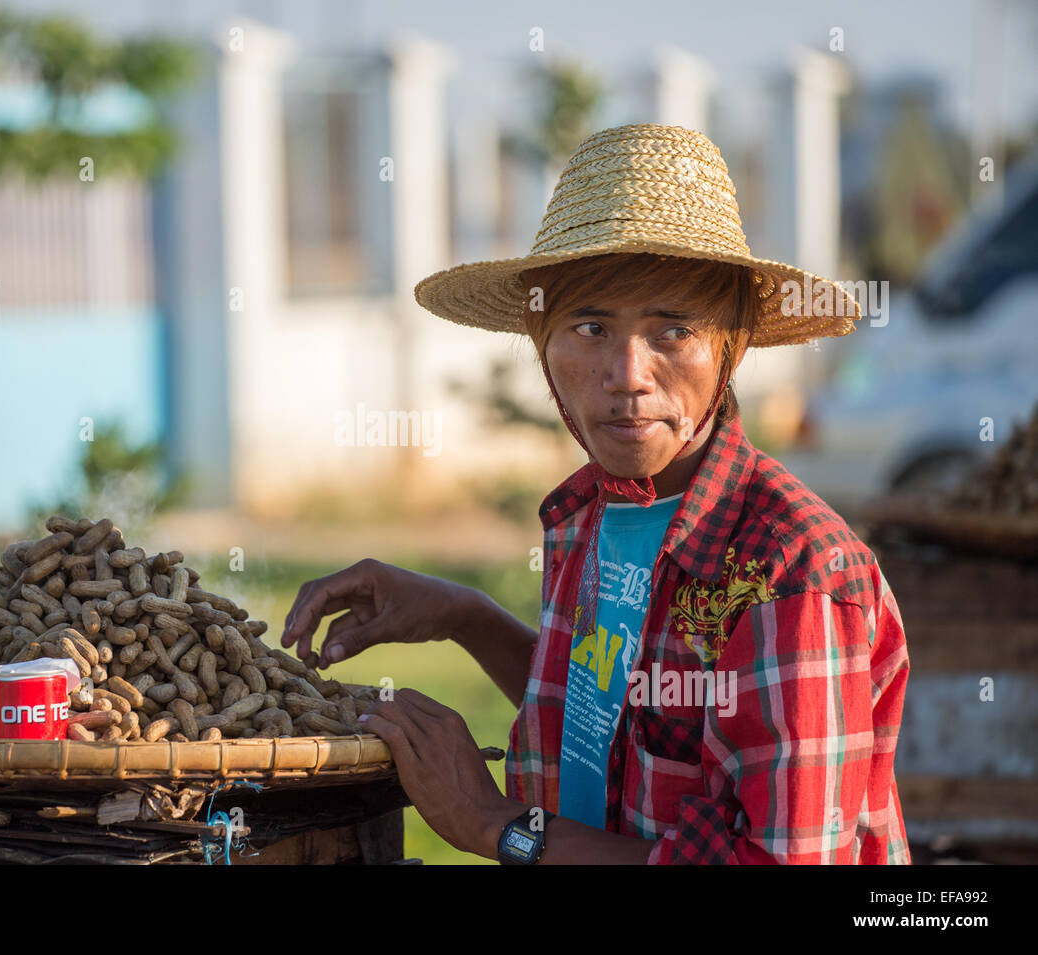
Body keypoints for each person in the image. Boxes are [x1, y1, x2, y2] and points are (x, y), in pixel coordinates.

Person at [281, 124, 911, 864]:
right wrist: (465, 614)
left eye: (673, 331)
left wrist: (497, 824)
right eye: (589, 327)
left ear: (731, 348)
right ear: (544, 346)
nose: (628, 374)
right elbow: (615, 716)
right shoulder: (590, 514)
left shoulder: (786, 574)